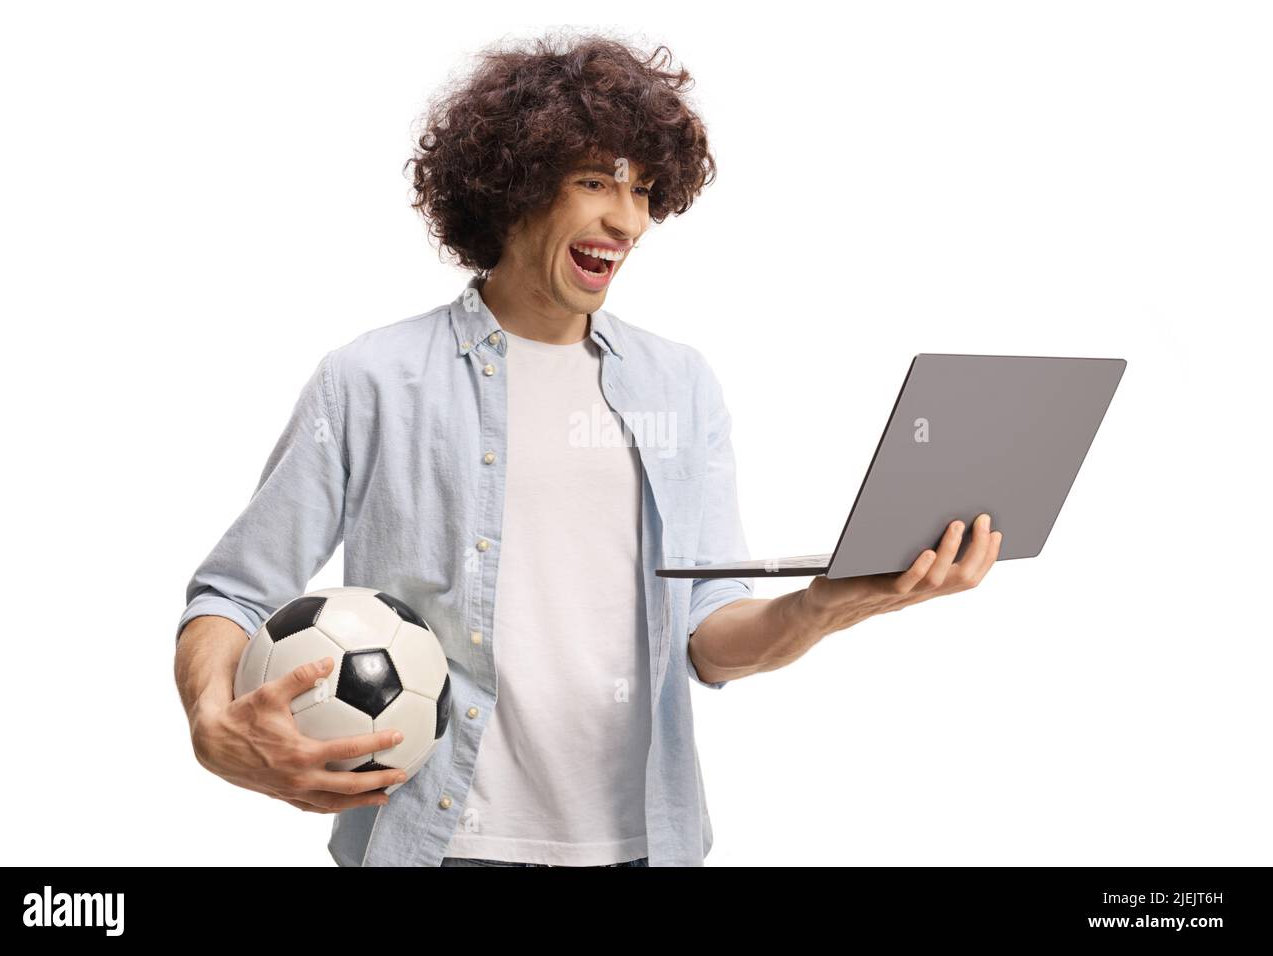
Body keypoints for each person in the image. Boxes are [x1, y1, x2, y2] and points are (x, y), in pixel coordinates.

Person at [173, 33, 1002, 868]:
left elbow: (710, 633)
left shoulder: (681, 385)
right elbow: (235, 592)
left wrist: (827, 605)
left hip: (645, 844)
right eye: (596, 181)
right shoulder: (371, 380)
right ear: (515, 184)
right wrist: (213, 721)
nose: (628, 218)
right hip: (438, 843)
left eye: (643, 189)